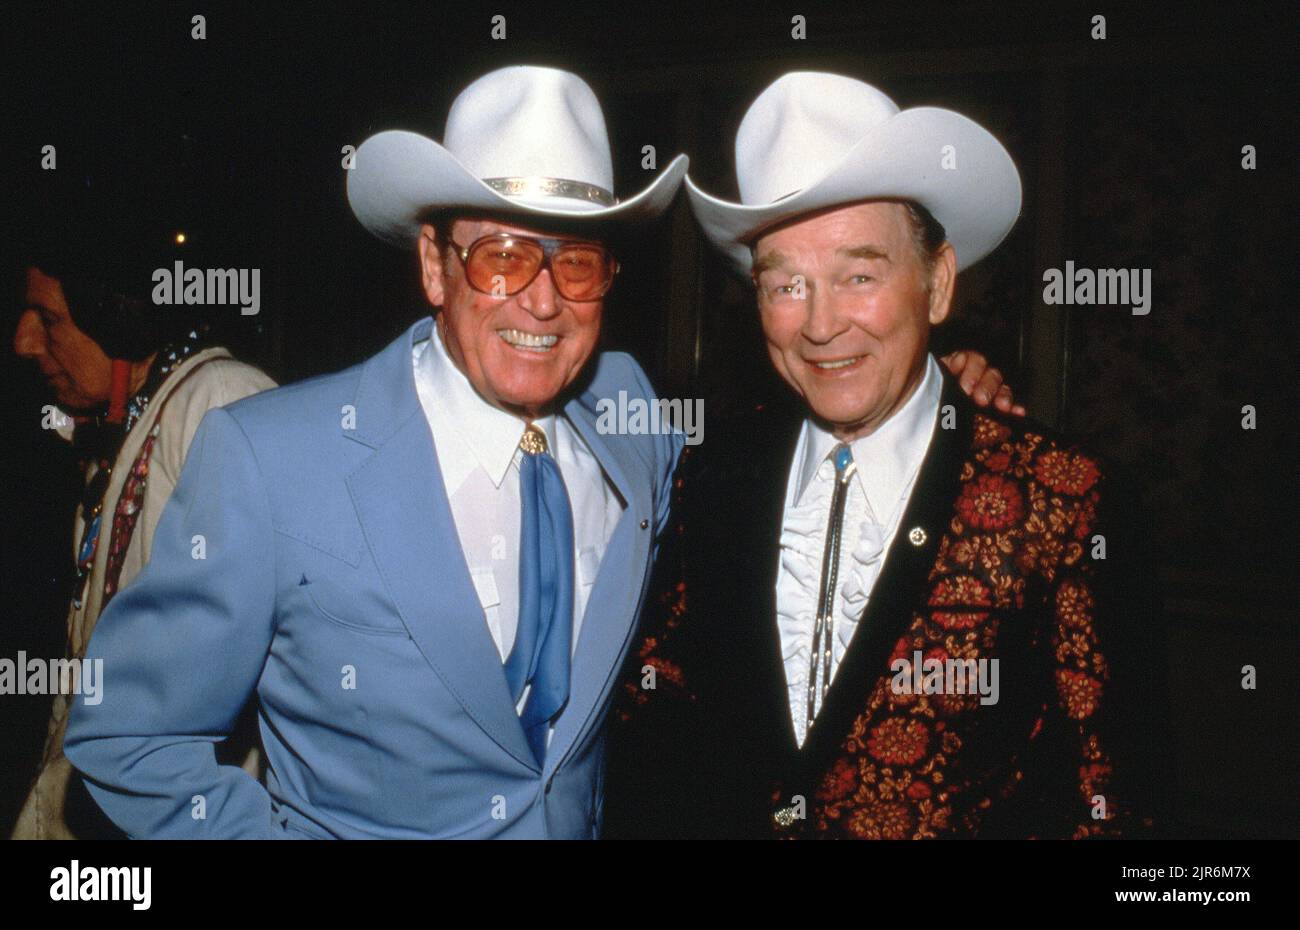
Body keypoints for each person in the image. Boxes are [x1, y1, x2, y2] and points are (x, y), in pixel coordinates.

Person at [62, 65, 694, 839]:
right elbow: (125, 733)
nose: (542, 298)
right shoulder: (273, 459)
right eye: (501, 254)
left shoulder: (636, 424)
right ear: (434, 265)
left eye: (576, 261)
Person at [610, 72, 1159, 839]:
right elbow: (653, 734)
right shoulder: (711, 475)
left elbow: (1110, 800)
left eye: (859, 275)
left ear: (936, 286)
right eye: (787, 285)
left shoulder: (1060, 498)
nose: (821, 325)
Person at [11, 220, 275, 838]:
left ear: (114, 316)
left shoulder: (221, 402)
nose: (24, 342)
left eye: (48, 319)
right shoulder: (123, 425)